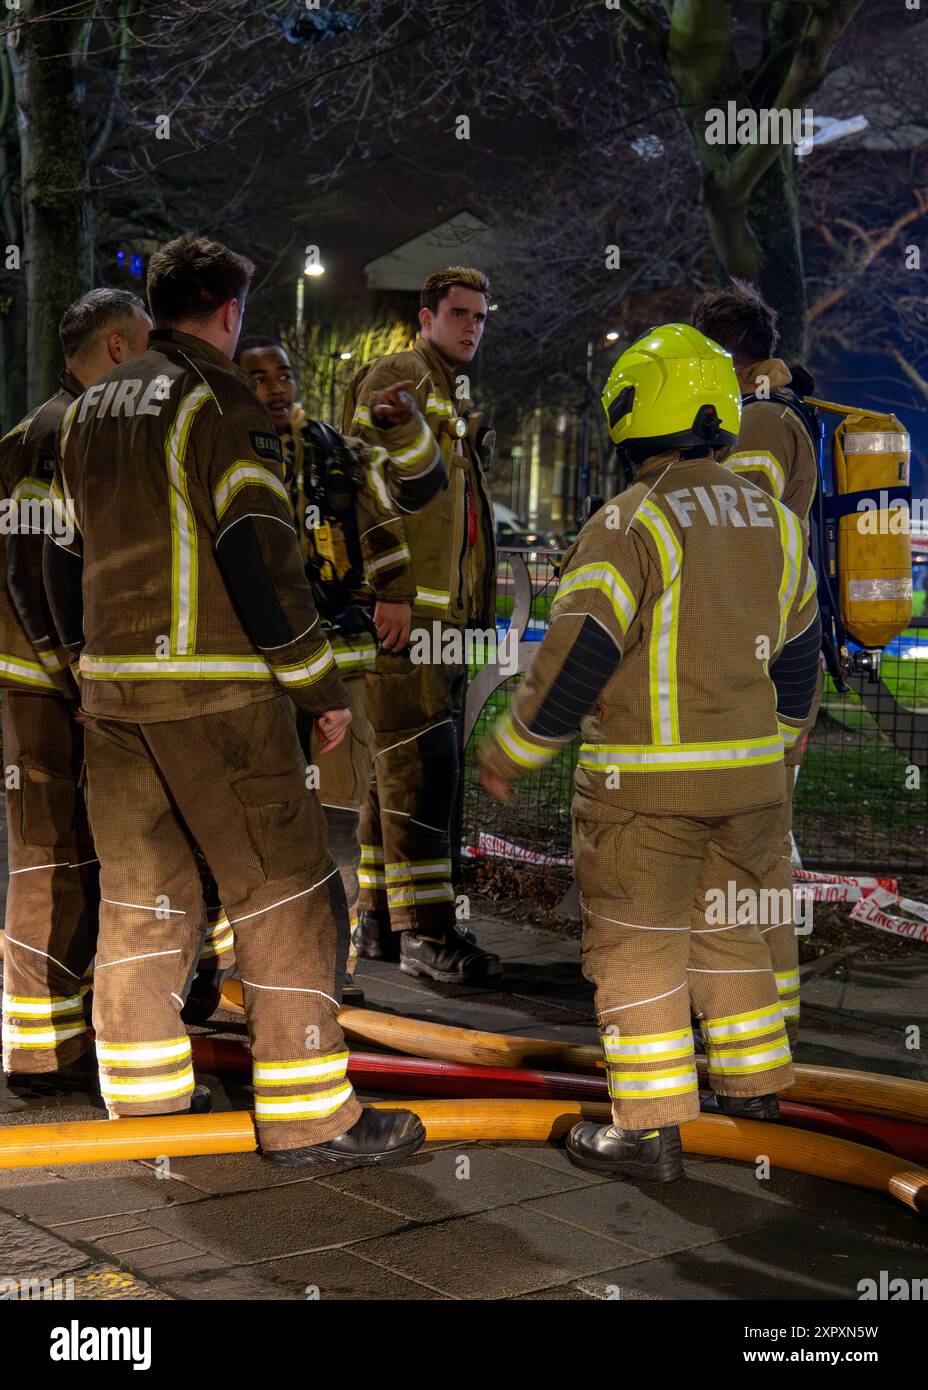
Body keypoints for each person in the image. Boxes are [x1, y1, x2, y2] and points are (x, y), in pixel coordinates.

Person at [42, 236, 423, 1165]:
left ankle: (145, 1096)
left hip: (116, 697)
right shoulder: (221, 403)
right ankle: (308, 1117)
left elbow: (57, 557)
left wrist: (79, 672)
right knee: (283, 891)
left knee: (143, 896)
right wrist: (316, 685)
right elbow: (261, 549)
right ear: (228, 313)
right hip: (218, 696)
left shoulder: (87, 411)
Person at [478, 324, 821, 1182]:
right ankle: (750, 1093)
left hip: (644, 794)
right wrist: (772, 760)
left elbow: (580, 651)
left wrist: (514, 750)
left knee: (637, 947)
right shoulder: (776, 524)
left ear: (631, 416)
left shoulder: (631, 519)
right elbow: (799, 661)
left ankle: (648, 1129)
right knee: (735, 935)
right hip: (751, 791)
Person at [235, 336, 442, 1003]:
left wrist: (397, 592)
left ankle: (333, 966)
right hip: (257, 673)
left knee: (336, 820)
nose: (275, 387)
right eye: (258, 376)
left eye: (283, 374)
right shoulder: (226, 452)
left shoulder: (337, 454)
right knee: (261, 819)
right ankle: (245, 961)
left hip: (337, 665)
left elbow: (385, 525)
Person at [0, 288, 150, 1091]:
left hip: (28, 678)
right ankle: (44, 1053)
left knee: (48, 855)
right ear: (119, 351)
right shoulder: (68, 431)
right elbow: (34, 561)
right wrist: (73, 668)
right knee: (53, 857)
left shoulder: (34, 426)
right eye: (148, 348)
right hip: (44, 688)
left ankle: (47, 1038)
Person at [341, 266, 499, 983]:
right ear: (426, 317)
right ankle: (427, 938)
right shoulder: (405, 375)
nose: (471, 326)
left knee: (396, 774)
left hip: (440, 616)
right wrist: (392, 588)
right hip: (411, 614)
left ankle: (378, 925)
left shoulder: (446, 389)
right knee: (422, 773)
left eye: (480, 317)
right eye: (459, 313)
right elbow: (365, 481)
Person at [692, 280, 823, 1037]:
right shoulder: (763, 413)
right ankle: (752, 1016)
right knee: (752, 838)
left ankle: (752, 1022)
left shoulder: (764, 422)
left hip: (757, 668)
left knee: (747, 844)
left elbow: (736, 542)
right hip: (761, 661)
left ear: (729, 358)